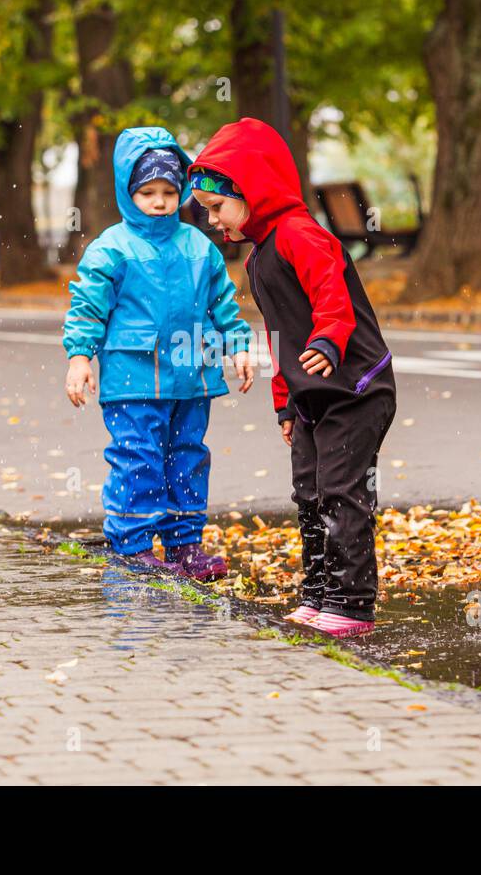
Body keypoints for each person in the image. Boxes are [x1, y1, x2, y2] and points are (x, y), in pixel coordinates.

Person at [189, 118, 395, 637]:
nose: (213, 220)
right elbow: (280, 337)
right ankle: (318, 592)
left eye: (217, 207)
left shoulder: (302, 236)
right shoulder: (259, 257)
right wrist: (285, 402)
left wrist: (328, 340)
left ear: (250, 191)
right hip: (310, 397)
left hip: (355, 389)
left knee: (342, 491)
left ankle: (352, 604)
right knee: (309, 492)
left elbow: (333, 299)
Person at [63, 126, 253, 579]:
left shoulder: (198, 246)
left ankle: (184, 545)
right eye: (147, 191)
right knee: (139, 455)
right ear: (129, 191)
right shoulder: (111, 248)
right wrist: (79, 357)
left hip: (192, 375)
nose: (160, 201)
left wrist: (240, 346)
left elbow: (223, 303)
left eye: (170, 190)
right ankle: (131, 544)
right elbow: (87, 307)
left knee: (188, 455)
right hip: (133, 377)